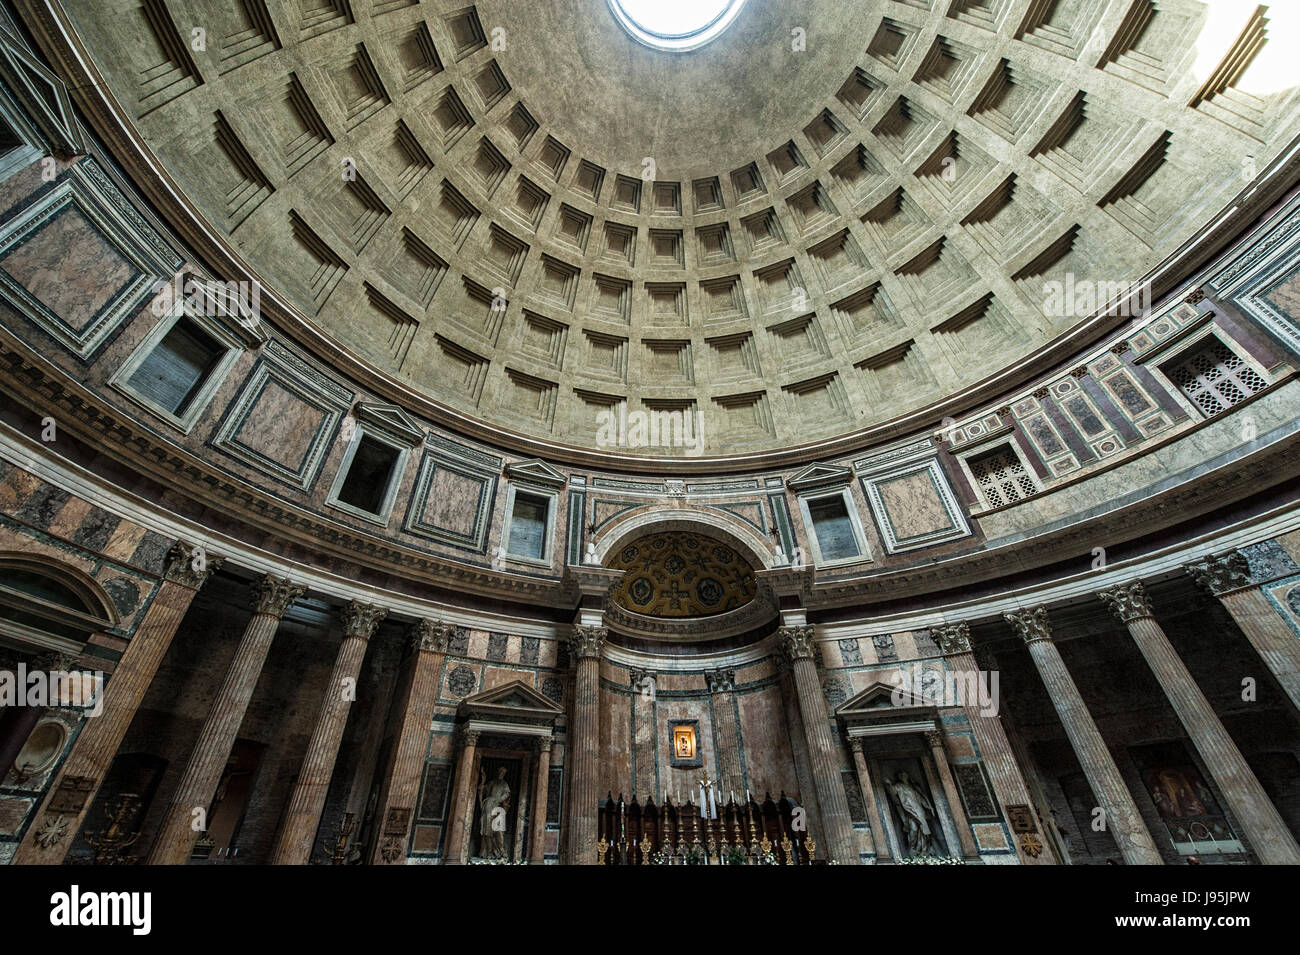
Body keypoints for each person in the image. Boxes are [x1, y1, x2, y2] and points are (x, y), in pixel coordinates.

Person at [478, 766, 511, 859]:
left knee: (498, 830)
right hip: (489, 805)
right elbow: (483, 790)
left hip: (498, 807)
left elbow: (507, 794)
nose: (501, 774)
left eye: (503, 772)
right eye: (500, 771)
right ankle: (488, 851)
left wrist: (499, 800)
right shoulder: (492, 782)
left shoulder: (504, 784)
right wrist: (483, 780)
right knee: (487, 828)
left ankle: (499, 850)